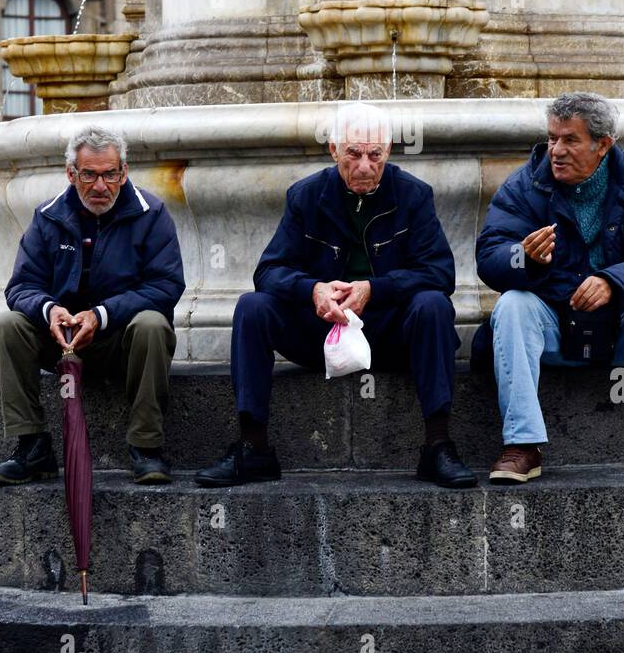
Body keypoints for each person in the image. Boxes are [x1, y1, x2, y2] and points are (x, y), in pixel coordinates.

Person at [195, 102, 476, 489]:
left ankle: (438, 445)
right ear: (333, 150)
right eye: (353, 154)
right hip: (321, 330)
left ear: (389, 150)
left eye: (375, 155)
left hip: (388, 332)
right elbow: (268, 272)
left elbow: (440, 273)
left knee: (433, 305)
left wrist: (374, 289)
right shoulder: (306, 196)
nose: (364, 166)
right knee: (252, 307)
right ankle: (253, 446)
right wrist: (313, 290)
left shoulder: (414, 195)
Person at [475, 92, 624, 484]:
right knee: (512, 305)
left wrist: (613, 281)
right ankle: (522, 445)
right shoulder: (525, 184)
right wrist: (522, 257)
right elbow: (488, 258)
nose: (556, 150)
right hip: (555, 327)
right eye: (553, 137)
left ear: (602, 145)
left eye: (570, 140)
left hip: (621, 329)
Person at [0, 127, 185, 487]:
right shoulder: (48, 216)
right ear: (71, 174)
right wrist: (50, 311)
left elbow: (166, 286)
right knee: (7, 326)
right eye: (89, 175)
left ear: (124, 172)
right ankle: (32, 445)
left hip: (119, 341)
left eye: (110, 174)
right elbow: (21, 286)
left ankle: (146, 447)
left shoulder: (151, 214)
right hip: (60, 338)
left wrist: (103, 315)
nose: (100, 185)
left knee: (153, 325)